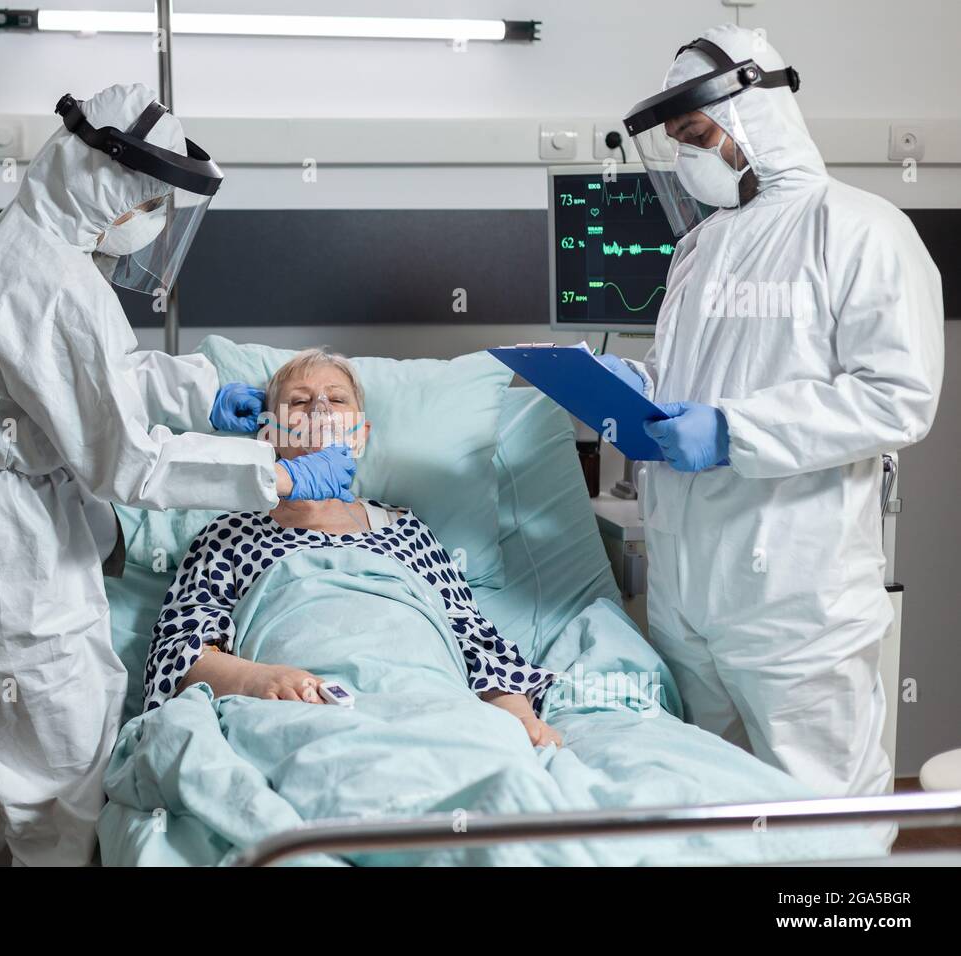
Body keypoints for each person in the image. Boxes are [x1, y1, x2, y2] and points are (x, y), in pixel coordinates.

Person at [0, 85, 355, 866]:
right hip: (7, 550)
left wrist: (208, 393)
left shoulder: (47, 246)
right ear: (102, 178)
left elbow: (102, 374)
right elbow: (129, 463)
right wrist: (276, 477)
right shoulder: (49, 284)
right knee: (61, 780)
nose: (152, 225)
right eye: (149, 202)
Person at [599, 24, 944, 804]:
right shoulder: (701, 248)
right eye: (680, 141)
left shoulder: (859, 229)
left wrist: (732, 432)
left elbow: (899, 395)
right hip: (687, 595)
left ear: (756, 114)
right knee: (698, 804)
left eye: (697, 135)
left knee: (823, 820)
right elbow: (698, 376)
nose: (687, 157)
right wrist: (634, 386)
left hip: (795, 602)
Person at [142, 348, 563, 747]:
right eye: (299, 401)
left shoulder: (406, 529)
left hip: (427, 698)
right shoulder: (229, 535)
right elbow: (179, 653)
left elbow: (474, 641)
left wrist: (518, 717)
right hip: (298, 708)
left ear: (360, 436)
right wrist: (261, 681)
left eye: (337, 399)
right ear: (268, 436)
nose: (319, 410)